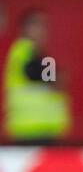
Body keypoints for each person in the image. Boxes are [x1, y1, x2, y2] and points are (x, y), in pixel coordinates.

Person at [4, 8, 70, 142]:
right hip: (31, 132)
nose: (43, 30)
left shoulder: (38, 54)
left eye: (45, 25)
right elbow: (41, 75)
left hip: (39, 130)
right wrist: (58, 75)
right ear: (25, 28)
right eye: (37, 24)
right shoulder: (23, 51)